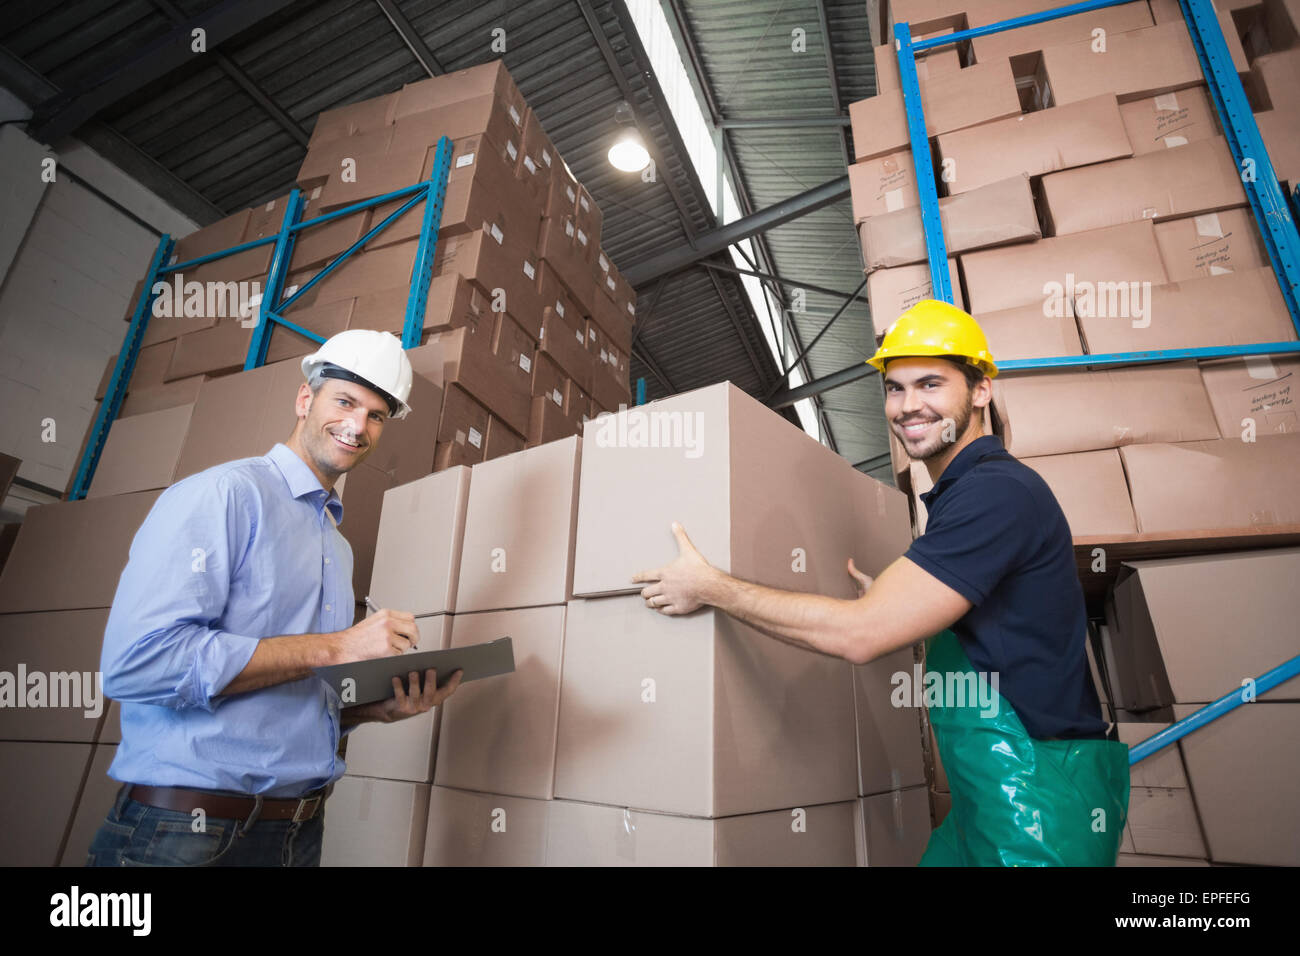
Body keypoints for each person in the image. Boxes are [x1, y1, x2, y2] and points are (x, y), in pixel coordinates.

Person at [632, 299, 1130, 867]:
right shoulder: (961, 500)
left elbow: (859, 638)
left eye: (930, 384)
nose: (908, 405)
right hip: (990, 803)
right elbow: (998, 634)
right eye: (895, 388)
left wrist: (709, 586)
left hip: (1038, 810)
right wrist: (902, 611)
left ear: (981, 390)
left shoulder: (995, 494)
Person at [88, 329, 462, 867]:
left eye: (377, 415)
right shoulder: (224, 496)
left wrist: (368, 710)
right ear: (305, 399)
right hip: (185, 833)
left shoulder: (336, 545)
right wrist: (336, 647)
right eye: (345, 401)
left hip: (296, 832)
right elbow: (138, 663)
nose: (357, 426)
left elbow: (286, 686)